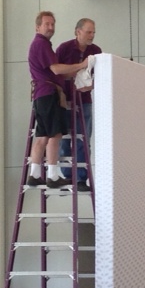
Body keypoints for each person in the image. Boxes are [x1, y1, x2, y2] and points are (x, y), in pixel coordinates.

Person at [26, 11, 96, 189]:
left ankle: (34, 173)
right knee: (55, 135)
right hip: (50, 93)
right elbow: (57, 70)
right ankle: (53, 174)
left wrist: (82, 77)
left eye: (52, 24)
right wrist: (82, 65)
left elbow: (61, 72)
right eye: (47, 24)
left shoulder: (42, 45)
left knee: (42, 134)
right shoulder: (42, 44)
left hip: (44, 93)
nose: (51, 27)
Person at [55, 18, 101, 190]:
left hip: (85, 100)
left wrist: (90, 85)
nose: (92, 35)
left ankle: (82, 178)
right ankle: (67, 176)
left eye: (93, 32)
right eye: (89, 32)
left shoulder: (96, 51)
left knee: (83, 139)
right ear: (78, 31)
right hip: (65, 98)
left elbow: (99, 76)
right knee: (64, 140)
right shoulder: (64, 48)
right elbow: (56, 72)